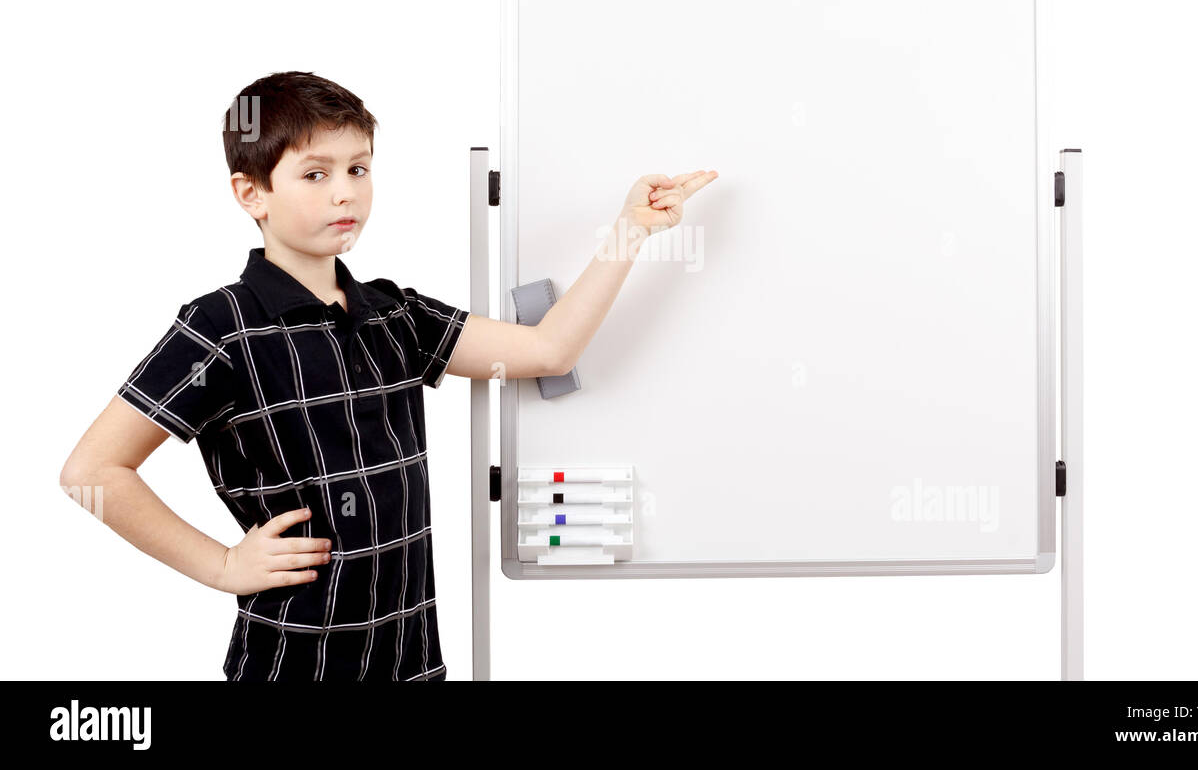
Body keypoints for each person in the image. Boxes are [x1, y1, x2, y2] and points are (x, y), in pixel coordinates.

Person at [58, 70, 718, 680]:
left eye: (358, 168)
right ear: (250, 193)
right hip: (293, 666)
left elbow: (548, 350)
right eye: (314, 174)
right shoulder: (223, 326)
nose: (345, 190)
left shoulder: (392, 313)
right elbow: (92, 472)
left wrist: (631, 230)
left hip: (412, 665)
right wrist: (223, 564)